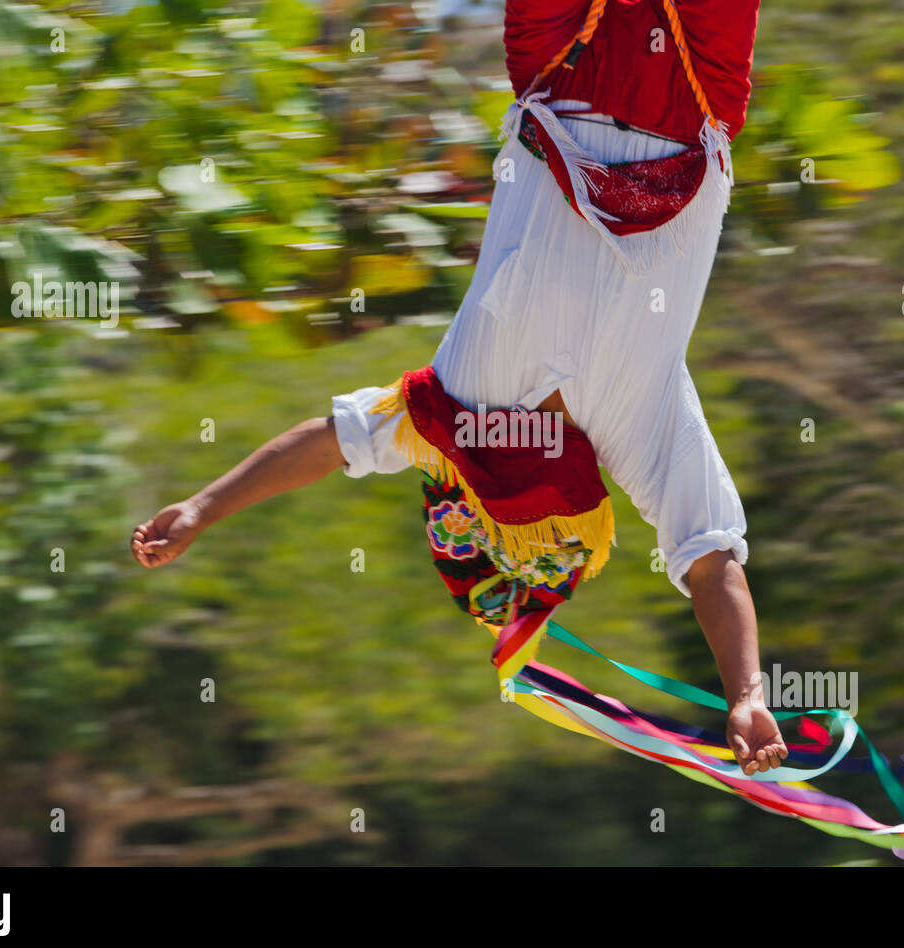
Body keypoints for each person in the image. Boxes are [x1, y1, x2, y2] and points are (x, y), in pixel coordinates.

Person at [131, 0, 787, 777]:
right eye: (556, 539)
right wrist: (745, 692)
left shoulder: (456, 413)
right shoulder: (639, 431)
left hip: (565, 65)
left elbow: (332, 442)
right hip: (694, 93)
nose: (546, 516)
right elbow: (711, 564)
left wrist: (206, 506)